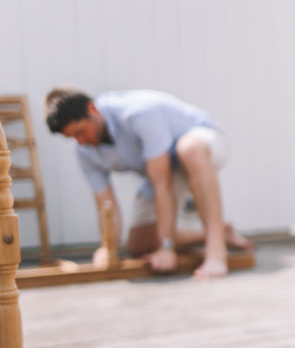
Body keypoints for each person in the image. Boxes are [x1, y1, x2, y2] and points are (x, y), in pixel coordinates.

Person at [45, 87, 251, 279]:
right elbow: (106, 204)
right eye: (73, 137)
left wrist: (166, 247)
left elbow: (163, 185)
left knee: (190, 149)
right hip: (163, 167)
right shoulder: (84, 151)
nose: (80, 141)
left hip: (203, 144)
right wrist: (109, 248)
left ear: (92, 110)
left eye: (80, 132)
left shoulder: (138, 113)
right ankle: (221, 232)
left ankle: (216, 251)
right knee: (138, 244)